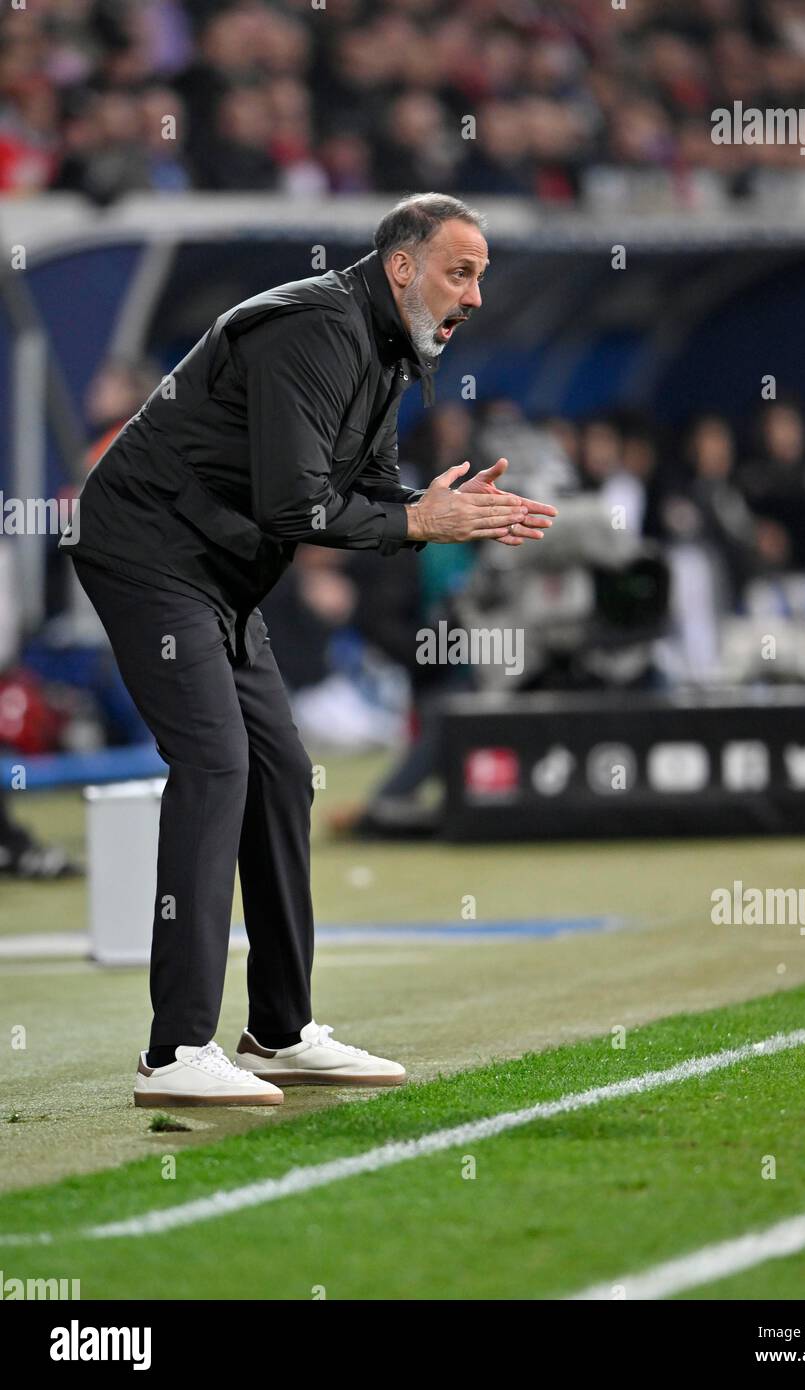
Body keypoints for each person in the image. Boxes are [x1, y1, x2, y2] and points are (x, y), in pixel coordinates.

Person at [59, 193, 556, 1108]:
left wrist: (431, 508)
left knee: (283, 771)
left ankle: (280, 1030)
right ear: (402, 265)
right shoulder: (316, 328)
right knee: (216, 766)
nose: (476, 295)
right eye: (462, 270)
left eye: (481, 275)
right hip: (151, 552)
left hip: (220, 571)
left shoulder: (389, 347)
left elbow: (361, 489)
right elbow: (300, 508)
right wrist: (418, 518)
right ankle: (174, 1051)